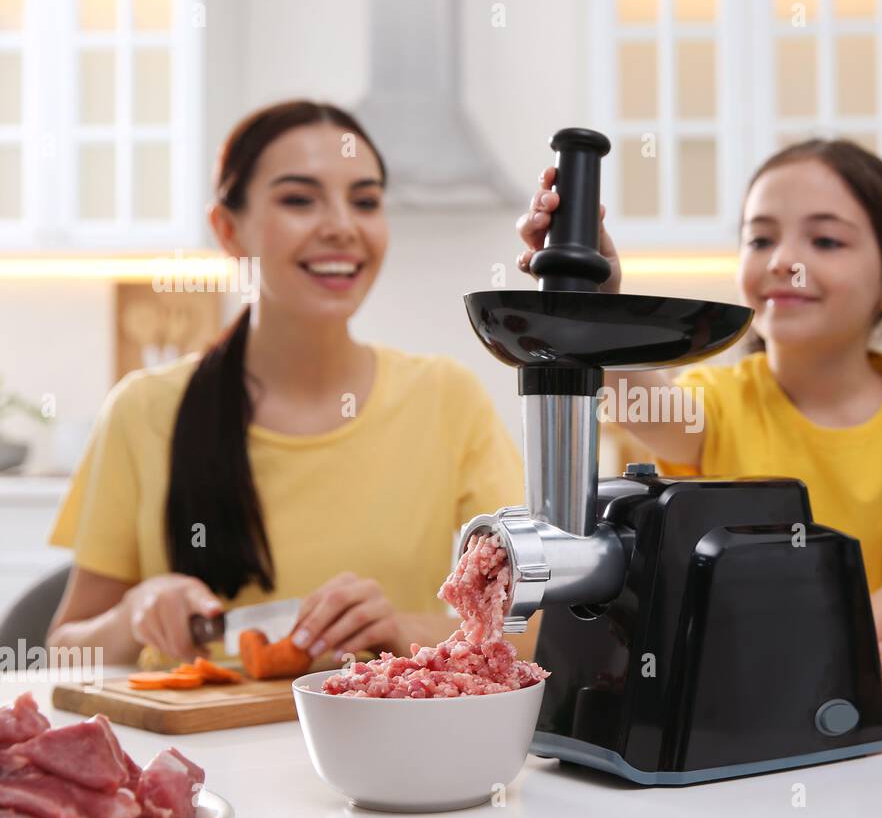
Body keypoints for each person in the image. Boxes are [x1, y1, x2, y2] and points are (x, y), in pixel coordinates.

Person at [46, 101, 526, 667]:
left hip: (373, 749)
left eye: (365, 201)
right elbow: (62, 652)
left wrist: (402, 628)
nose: (342, 226)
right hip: (185, 749)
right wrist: (134, 613)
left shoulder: (447, 399)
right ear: (228, 229)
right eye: (299, 199)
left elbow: (533, 628)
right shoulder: (143, 408)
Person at [516, 140, 882, 639]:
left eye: (825, 241)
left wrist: (767, 648)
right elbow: (626, 388)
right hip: (741, 709)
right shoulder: (715, 400)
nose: (784, 261)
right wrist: (593, 300)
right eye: (760, 240)